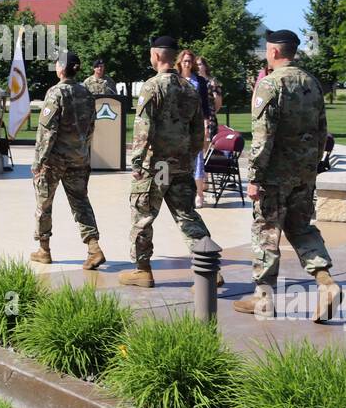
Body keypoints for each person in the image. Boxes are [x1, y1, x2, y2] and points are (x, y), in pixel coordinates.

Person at [235, 28, 341, 321]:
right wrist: (311, 166)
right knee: (302, 228)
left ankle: (263, 299)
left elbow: (263, 137)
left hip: (275, 176)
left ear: (274, 52)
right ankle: (326, 283)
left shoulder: (270, 84)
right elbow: (322, 132)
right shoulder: (313, 83)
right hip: (304, 174)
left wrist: (254, 177)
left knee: (267, 232)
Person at [121, 36, 217, 289]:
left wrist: (137, 163)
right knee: (186, 214)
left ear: (156, 56)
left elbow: (144, 128)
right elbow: (199, 132)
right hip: (180, 165)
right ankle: (210, 269)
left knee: (143, 215)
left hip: (157, 167)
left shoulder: (152, 87)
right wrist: (189, 156)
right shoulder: (189, 88)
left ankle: (142, 270)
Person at [30, 49, 106, 270]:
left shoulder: (56, 93)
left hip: (54, 161)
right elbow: (91, 127)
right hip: (79, 158)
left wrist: (38, 162)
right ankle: (94, 248)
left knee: (44, 204)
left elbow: (47, 131)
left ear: (61, 68)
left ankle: (44, 250)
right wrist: (82, 150)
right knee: (81, 203)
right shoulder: (86, 93)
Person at [177, 49, 213, 208]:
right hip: (179, 125)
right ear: (180, 62)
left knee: (198, 160)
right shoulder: (175, 79)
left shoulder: (199, 81)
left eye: (189, 61)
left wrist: (206, 124)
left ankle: (199, 194)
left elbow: (205, 106)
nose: (187, 64)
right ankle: (182, 194)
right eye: (184, 61)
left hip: (196, 124)